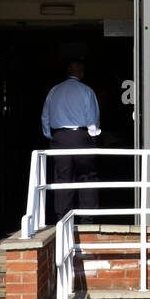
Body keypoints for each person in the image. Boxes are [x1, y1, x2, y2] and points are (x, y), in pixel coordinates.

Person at [40, 59, 101, 224]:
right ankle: (87, 219)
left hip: (59, 138)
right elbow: (92, 118)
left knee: (62, 178)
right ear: (81, 72)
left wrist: (50, 135)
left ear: (68, 72)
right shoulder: (87, 91)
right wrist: (92, 136)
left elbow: (45, 116)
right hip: (81, 136)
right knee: (87, 176)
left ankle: (62, 218)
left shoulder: (54, 91)